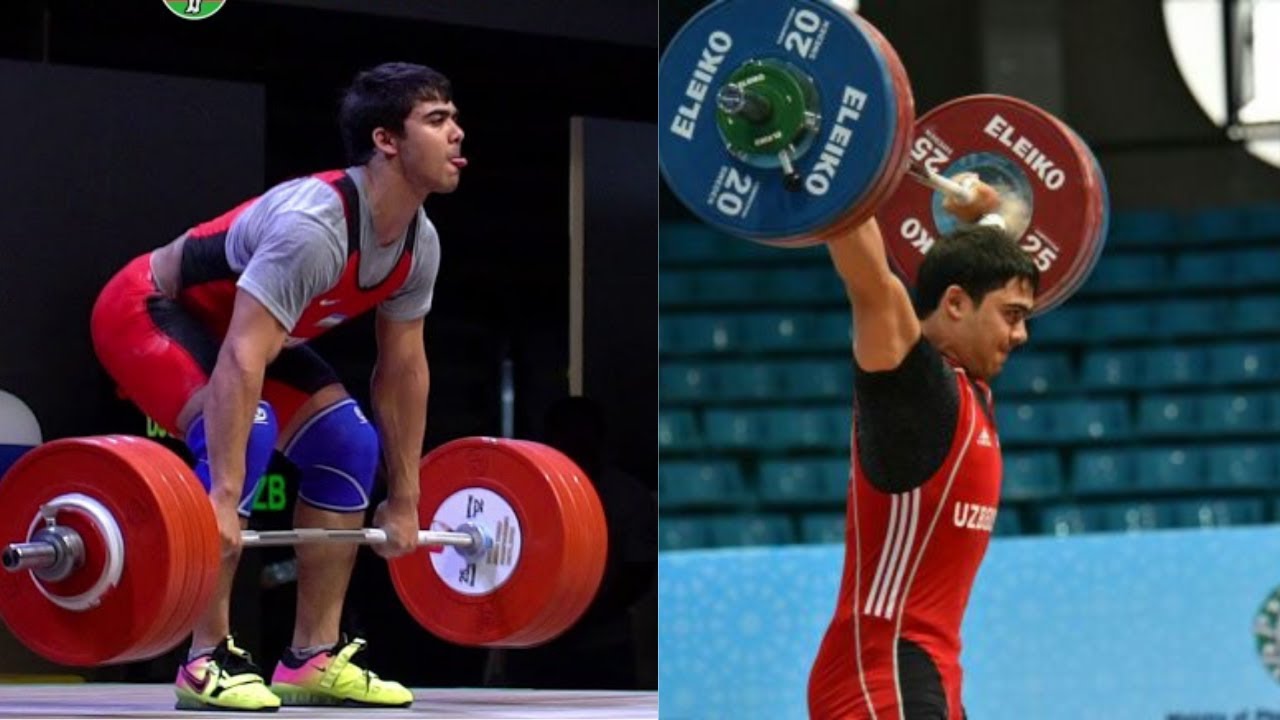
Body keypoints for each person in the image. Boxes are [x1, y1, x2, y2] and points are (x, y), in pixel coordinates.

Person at [90, 61, 466, 711]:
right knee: (244, 428)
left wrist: (406, 497)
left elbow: (402, 371)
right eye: (437, 120)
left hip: (247, 330)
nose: (458, 133)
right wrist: (223, 499)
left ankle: (311, 657)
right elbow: (240, 357)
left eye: (454, 118)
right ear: (386, 141)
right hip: (149, 310)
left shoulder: (417, 243)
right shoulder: (315, 227)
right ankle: (205, 659)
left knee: (349, 444)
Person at [807, 177, 1038, 719]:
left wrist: (986, 215)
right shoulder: (912, 388)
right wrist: (830, 165)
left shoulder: (970, 387)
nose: (1022, 335)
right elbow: (867, 273)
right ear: (955, 304)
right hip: (880, 670)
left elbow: (984, 260)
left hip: (928, 674)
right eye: (1012, 315)